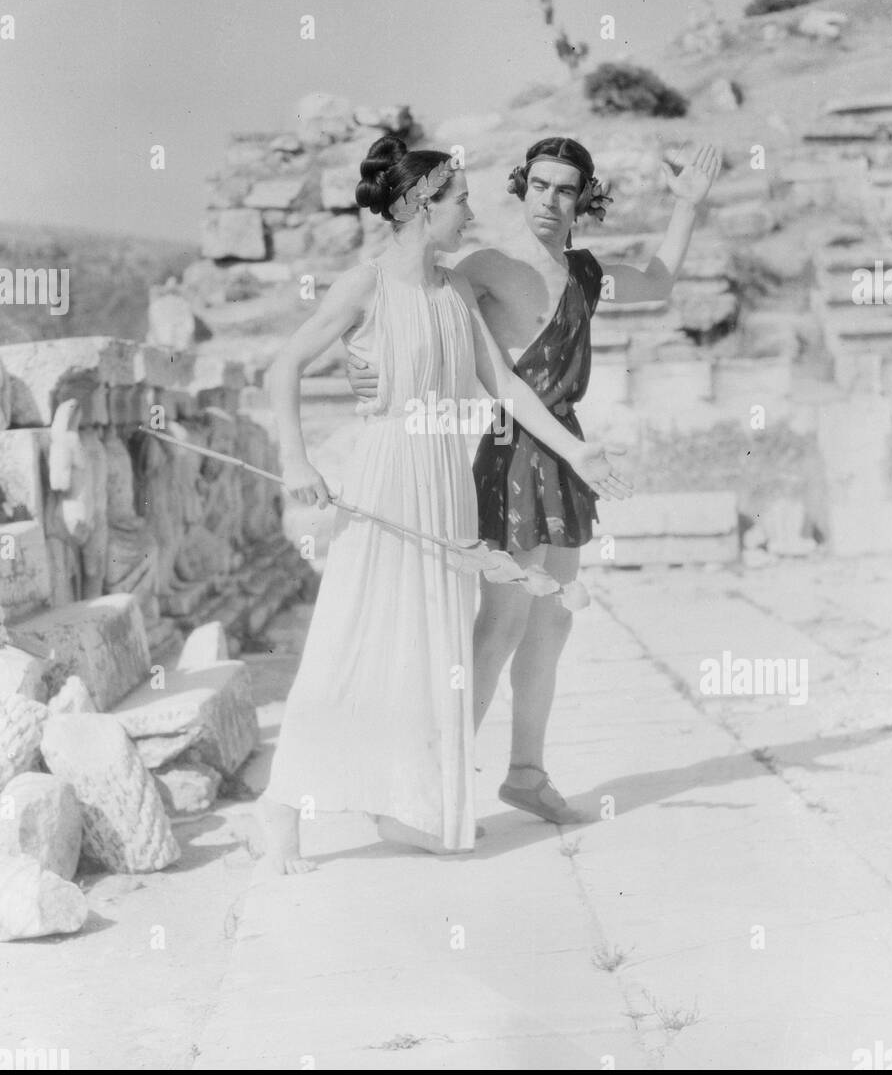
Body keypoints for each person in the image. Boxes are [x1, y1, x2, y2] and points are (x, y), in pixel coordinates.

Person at [260, 135, 630, 873]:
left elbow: (508, 386)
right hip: (385, 470)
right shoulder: (363, 286)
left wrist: (577, 449)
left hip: (444, 479)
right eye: (459, 199)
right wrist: (294, 460)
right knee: (351, 639)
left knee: (429, 650)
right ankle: (277, 816)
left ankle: (408, 807)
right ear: (417, 205)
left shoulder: (456, 290)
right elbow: (284, 366)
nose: (470, 212)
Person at [348, 136, 721, 823]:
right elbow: (412, 297)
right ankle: (430, 785)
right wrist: (359, 356)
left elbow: (661, 281)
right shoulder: (488, 264)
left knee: (551, 624)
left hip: (567, 451)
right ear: (522, 189)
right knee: (502, 622)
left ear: (585, 199)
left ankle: (525, 773)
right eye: (540, 185)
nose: (550, 201)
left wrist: (687, 207)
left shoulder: (585, 271)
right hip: (511, 448)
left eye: (566, 189)